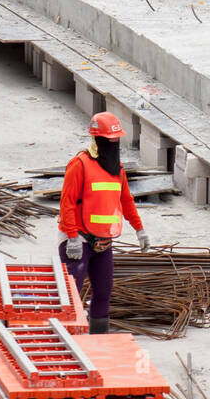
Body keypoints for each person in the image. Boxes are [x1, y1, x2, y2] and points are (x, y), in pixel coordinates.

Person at [58, 112, 150, 334]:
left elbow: (126, 201)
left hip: (104, 240)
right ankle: (69, 338)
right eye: (111, 141)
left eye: (117, 141)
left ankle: (98, 338)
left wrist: (140, 230)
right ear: (98, 140)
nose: (115, 144)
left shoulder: (117, 170)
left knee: (103, 292)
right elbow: (67, 203)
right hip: (78, 239)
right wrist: (71, 237)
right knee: (72, 293)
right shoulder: (79, 165)